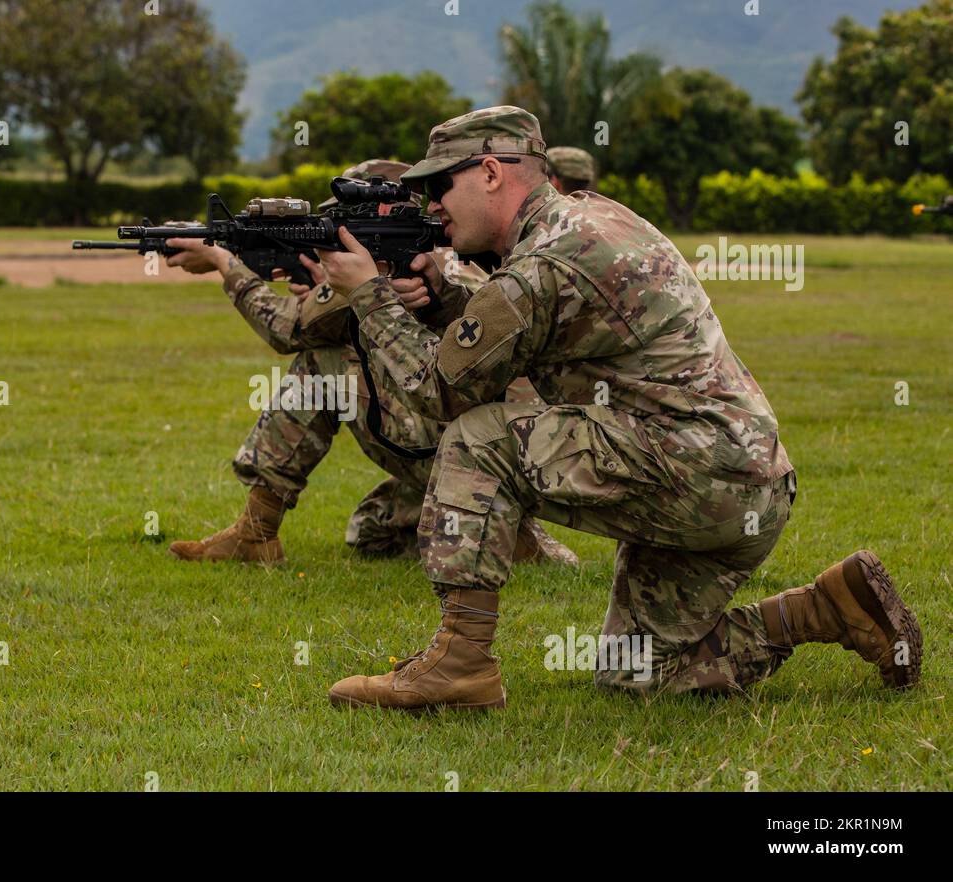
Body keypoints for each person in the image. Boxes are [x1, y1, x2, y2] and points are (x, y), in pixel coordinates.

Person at [315, 107, 921, 710]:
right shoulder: (591, 217)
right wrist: (442, 295)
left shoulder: (541, 264)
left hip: (693, 472)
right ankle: (826, 608)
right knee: (638, 672)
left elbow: (434, 390)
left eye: (440, 185)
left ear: (492, 172)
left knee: (481, 439)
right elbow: (513, 334)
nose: (432, 207)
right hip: (739, 480)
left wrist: (368, 297)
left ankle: (460, 664)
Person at [163, 159, 578, 566]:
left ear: (379, 210)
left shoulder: (394, 266)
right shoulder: (452, 256)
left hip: (476, 445)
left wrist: (224, 263)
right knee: (372, 529)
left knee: (322, 364)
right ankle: (499, 525)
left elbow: (285, 329)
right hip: (501, 442)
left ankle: (256, 533)